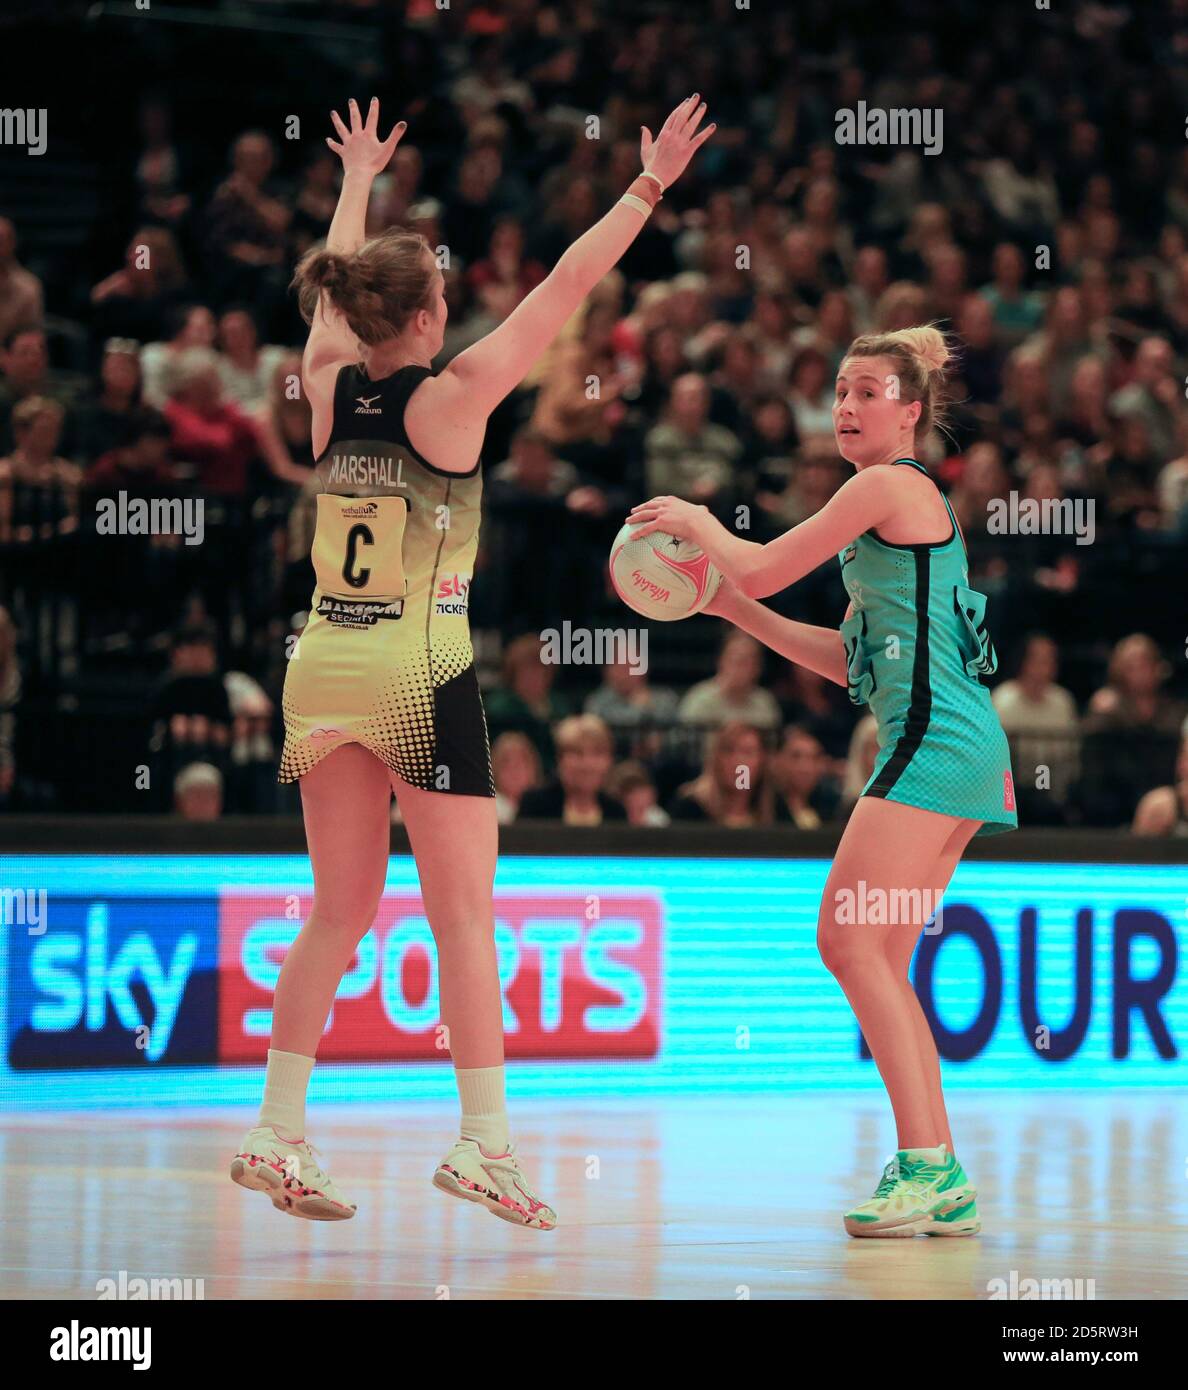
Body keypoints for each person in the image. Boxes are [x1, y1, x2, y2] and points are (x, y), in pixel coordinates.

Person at [229, 94, 715, 1228]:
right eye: (443, 296)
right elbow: (566, 289)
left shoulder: (325, 385)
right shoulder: (452, 402)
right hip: (416, 671)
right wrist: (648, 186)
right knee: (460, 915)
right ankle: (485, 1146)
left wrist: (353, 181)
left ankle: (277, 1131)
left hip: (321, 667)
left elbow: (336, 292)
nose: (454, 307)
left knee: (338, 911)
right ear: (426, 319)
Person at [628, 323, 1015, 1238]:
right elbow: (849, 664)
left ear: (911, 412)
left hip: (935, 743)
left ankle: (925, 1165)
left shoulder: (886, 484)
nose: (845, 406)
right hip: (961, 749)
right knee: (879, 955)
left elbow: (763, 557)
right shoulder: (892, 511)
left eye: (867, 393)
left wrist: (696, 522)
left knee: (846, 942)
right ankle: (939, 1171)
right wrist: (727, 603)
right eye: (839, 391)